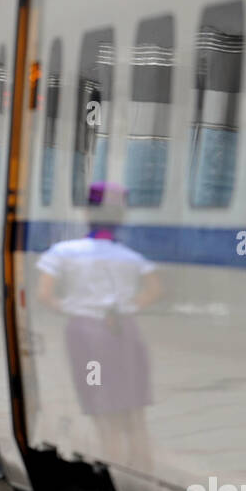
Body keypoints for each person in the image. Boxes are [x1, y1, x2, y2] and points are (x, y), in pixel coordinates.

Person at [36, 182, 162, 472]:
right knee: (135, 415)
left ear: (87, 213)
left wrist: (73, 308)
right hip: (126, 332)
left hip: (87, 335)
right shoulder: (130, 256)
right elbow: (154, 289)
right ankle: (143, 478)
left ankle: (116, 479)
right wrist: (128, 308)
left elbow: (45, 294)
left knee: (105, 415)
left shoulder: (64, 252)